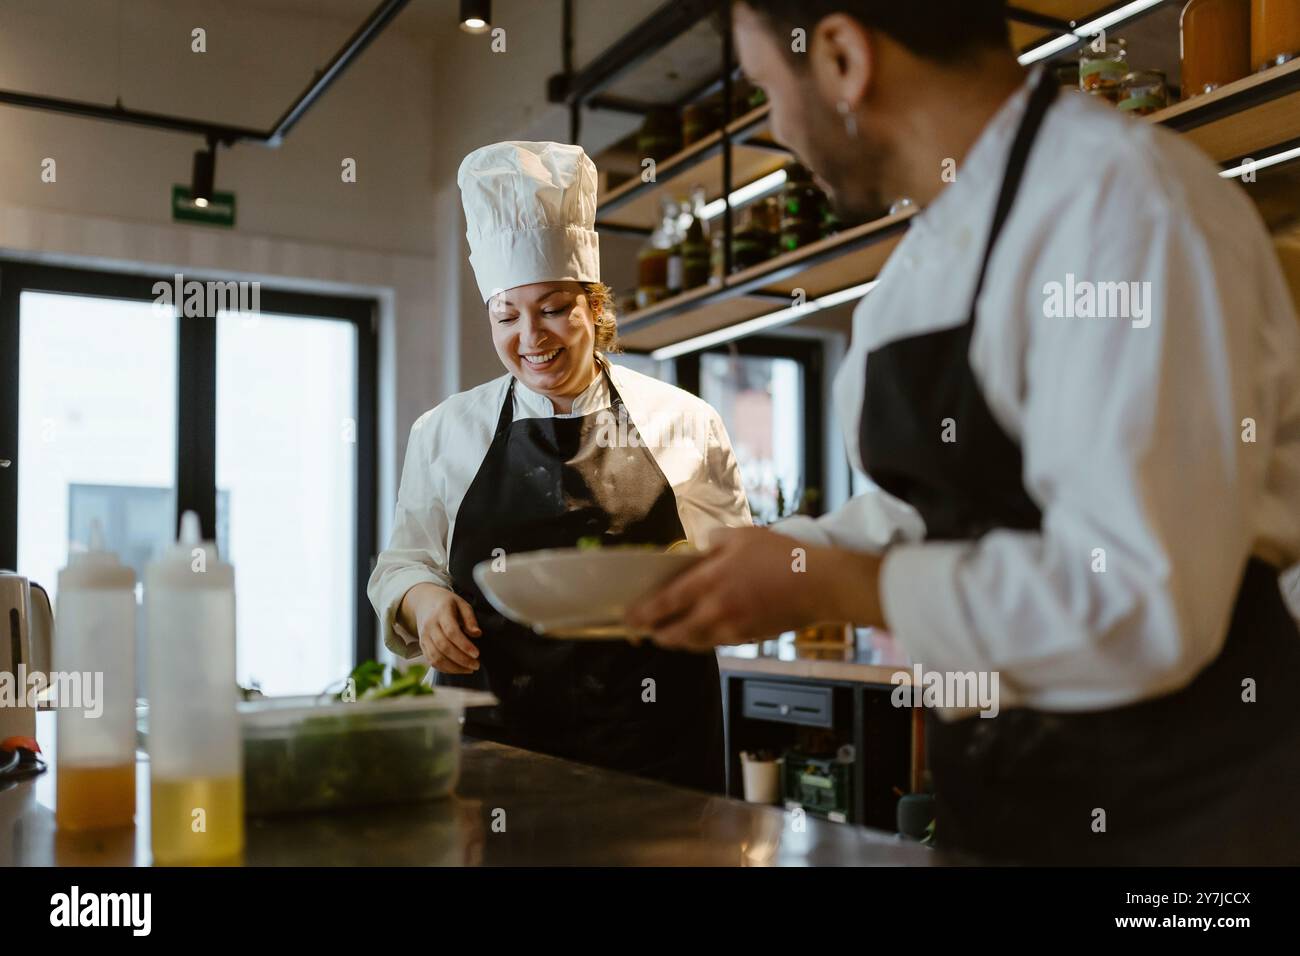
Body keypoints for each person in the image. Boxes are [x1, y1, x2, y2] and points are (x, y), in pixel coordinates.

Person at [627, 0, 1300, 862]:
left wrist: (842, 587)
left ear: (841, 58)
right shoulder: (921, 263)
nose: (779, 130)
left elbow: (1140, 602)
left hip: (1187, 818)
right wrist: (774, 559)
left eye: (765, 88)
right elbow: (930, 510)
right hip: (1007, 800)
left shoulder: (1126, 206)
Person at [368, 141, 752, 792]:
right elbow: (404, 563)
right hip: (497, 741)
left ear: (595, 309)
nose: (530, 337)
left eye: (552, 309)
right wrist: (423, 602)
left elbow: (739, 571)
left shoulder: (685, 421)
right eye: (506, 315)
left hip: (655, 743)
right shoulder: (443, 432)